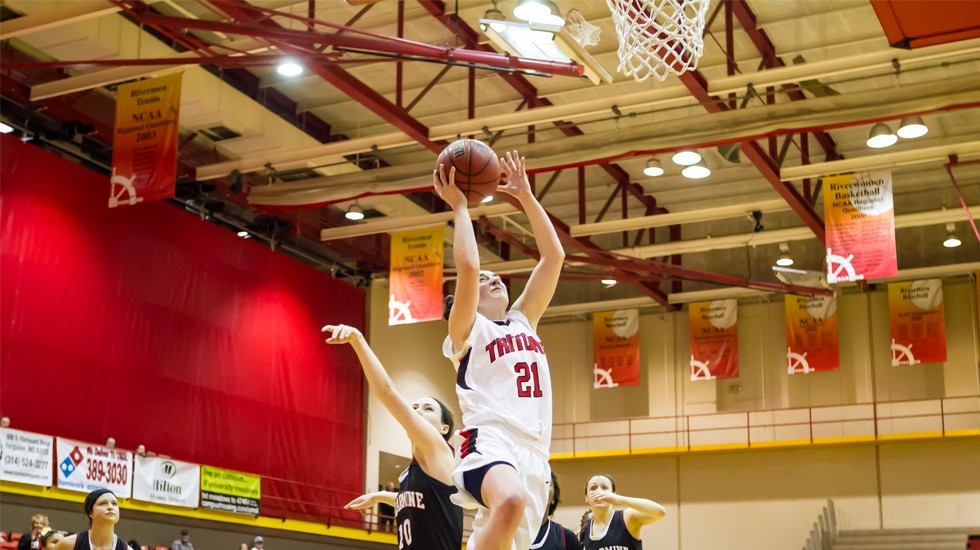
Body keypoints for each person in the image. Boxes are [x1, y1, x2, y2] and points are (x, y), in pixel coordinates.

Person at [435, 149, 565, 550]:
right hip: (489, 437)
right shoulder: (467, 331)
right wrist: (459, 206)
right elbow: (470, 267)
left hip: (535, 453)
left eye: (498, 276)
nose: (494, 279)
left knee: (513, 534)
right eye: (486, 280)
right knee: (510, 500)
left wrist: (526, 196)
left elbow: (554, 257)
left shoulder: (524, 318)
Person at [324, 323, 463, 549]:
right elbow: (419, 499)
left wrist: (358, 340)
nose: (417, 410)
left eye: (428, 409)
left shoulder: (438, 448)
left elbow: (387, 392)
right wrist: (381, 496)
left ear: (444, 428)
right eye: (415, 406)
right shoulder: (415, 471)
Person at [582, 473, 666, 550]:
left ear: (613, 494)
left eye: (604, 488)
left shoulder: (626, 517)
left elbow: (660, 512)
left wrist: (619, 499)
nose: (599, 492)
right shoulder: (584, 532)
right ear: (586, 497)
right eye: (593, 488)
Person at [54, 488, 129, 550]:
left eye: (114, 503)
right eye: (103, 503)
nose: (110, 507)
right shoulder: (67, 545)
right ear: (90, 513)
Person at [532, 472, 583, 550]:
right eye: (535, 483)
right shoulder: (510, 533)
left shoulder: (567, 537)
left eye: (546, 483)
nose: (541, 487)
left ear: (554, 497)